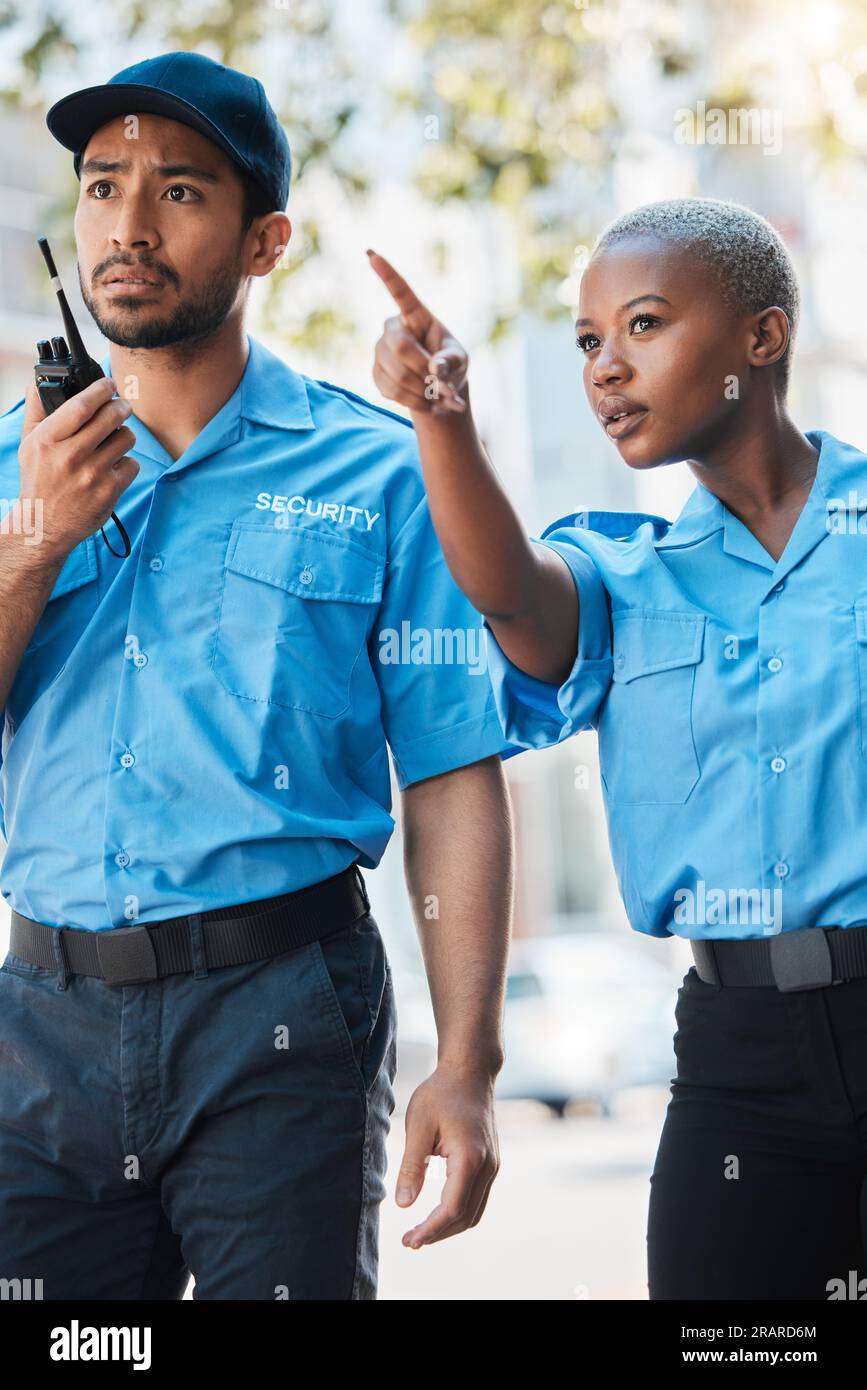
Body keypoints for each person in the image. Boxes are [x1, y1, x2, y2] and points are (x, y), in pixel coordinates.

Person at [0, 51, 514, 1302]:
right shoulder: (14, 467)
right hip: (40, 1024)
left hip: (283, 1017)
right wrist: (37, 537)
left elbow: (451, 775)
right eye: (103, 184)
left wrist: (471, 1062)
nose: (127, 222)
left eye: (178, 191)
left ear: (265, 240)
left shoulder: (385, 470)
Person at [368, 196, 867, 1301]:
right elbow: (507, 592)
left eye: (643, 325)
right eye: (589, 341)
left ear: (762, 338)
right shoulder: (618, 574)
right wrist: (443, 419)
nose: (605, 368)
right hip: (739, 1063)